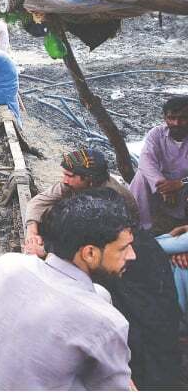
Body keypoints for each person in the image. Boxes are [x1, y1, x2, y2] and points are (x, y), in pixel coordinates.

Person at [22, 149, 182, 389]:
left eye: (70, 175)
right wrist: (33, 232)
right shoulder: (78, 191)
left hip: (148, 344)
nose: (65, 180)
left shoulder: (121, 231)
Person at [0, 189, 135, 390]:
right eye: (124, 248)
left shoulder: (7, 264)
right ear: (89, 253)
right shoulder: (106, 321)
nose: (132, 256)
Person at [130, 97, 188, 233]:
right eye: (171, 118)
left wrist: (181, 182)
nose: (176, 123)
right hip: (162, 188)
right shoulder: (156, 134)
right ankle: (140, 227)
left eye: (183, 118)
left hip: (184, 186)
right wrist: (163, 186)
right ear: (165, 118)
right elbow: (145, 161)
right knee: (141, 177)